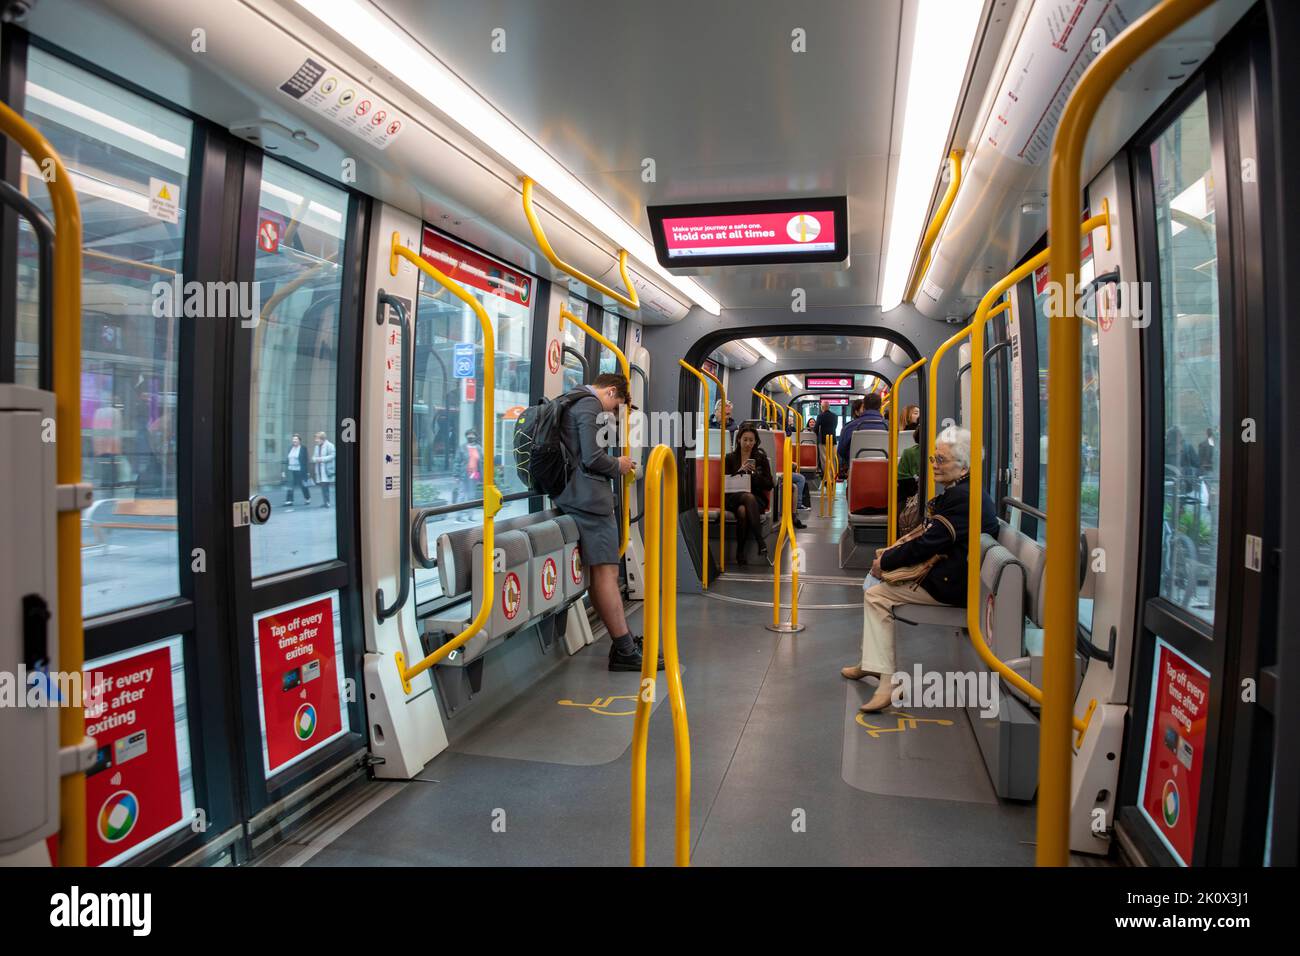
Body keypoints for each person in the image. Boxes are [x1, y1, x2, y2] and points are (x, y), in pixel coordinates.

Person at [841, 426, 998, 712]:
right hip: (954, 572)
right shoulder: (963, 491)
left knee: (877, 596)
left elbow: (926, 544)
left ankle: (886, 682)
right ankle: (871, 662)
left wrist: (886, 562)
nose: (935, 466)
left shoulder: (962, 499)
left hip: (952, 584)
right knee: (874, 585)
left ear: (963, 466)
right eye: (934, 459)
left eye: (942, 460)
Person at [553, 373, 657, 673]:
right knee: (607, 572)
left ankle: (623, 643)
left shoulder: (570, 400)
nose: (612, 413)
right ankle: (624, 649)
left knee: (600, 573)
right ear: (611, 391)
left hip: (574, 495)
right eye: (615, 406)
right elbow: (593, 457)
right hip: (589, 500)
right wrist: (620, 465)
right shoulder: (589, 406)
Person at [723, 425, 776, 565]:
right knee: (747, 497)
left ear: (755, 441)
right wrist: (740, 471)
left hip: (755, 498)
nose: (748, 443)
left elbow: (769, 484)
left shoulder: (761, 459)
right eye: (745, 440)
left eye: (751, 440)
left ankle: (740, 551)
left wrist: (754, 475)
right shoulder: (729, 458)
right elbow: (725, 482)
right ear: (739, 440)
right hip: (732, 496)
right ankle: (760, 541)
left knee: (743, 510)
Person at [837, 393, 887, 469]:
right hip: (885, 471)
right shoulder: (890, 427)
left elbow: (841, 451)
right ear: (880, 407)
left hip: (856, 471)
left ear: (864, 407)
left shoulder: (849, 427)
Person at [454, 429, 483, 519]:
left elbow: (481, 462)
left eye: (473, 435)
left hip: (474, 474)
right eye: (469, 435)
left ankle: (470, 516)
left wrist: (482, 477)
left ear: (475, 436)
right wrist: (456, 475)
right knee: (461, 496)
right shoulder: (462, 447)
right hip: (464, 474)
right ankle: (459, 517)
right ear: (466, 436)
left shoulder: (478, 448)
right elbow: (457, 461)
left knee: (471, 496)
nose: (471, 436)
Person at [283, 434, 312, 507]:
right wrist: (284, 471)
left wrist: (307, 472)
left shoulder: (303, 448)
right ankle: (289, 500)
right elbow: (287, 460)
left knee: (303, 485)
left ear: (299, 441)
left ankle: (307, 498)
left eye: (296, 439)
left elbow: (306, 461)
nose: (294, 441)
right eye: (293, 439)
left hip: (300, 470)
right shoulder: (290, 448)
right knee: (290, 485)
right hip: (290, 470)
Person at [312, 431, 336, 508]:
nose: (316, 440)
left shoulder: (330, 445)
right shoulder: (316, 447)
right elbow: (314, 457)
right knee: (323, 487)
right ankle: (325, 502)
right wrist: (314, 459)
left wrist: (321, 459)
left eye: (317, 439)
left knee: (326, 487)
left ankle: (327, 502)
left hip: (326, 470)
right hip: (319, 469)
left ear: (322, 439)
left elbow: (333, 455)